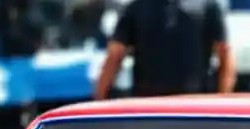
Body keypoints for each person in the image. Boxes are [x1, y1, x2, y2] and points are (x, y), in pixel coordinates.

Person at [92, 0, 235, 100]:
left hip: (150, 106)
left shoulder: (137, 8)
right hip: (194, 106)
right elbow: (225, 55)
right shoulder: (208, 6)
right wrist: (222, 100)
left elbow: (114, 57)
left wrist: (99, 100)